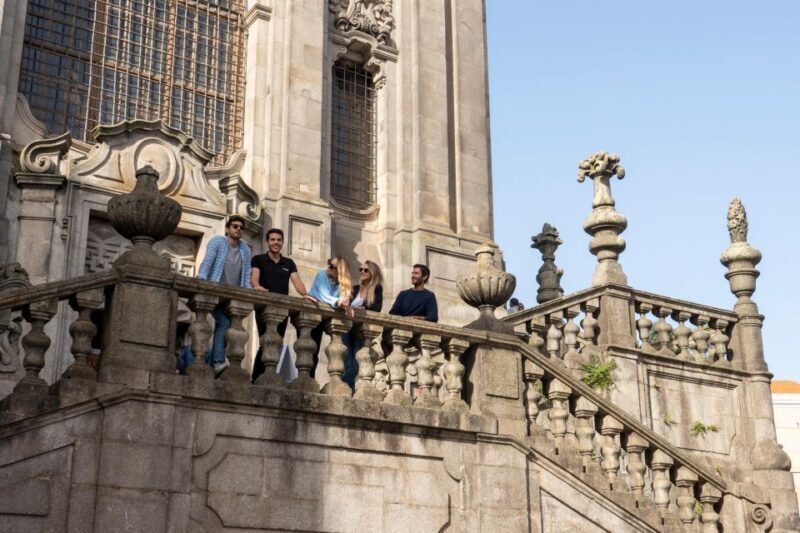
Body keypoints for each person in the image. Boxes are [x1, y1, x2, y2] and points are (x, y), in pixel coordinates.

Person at [249, 228, 310, 382]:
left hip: (282, 309)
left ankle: (268, 376)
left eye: (279, 240)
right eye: (273, 240)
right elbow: (254, 277)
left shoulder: (288, 263)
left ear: (282, 242)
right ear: (267, 242)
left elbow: (297, 281)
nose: (276, 243)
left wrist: (306, 295)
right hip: (264, 307)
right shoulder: (258, 259)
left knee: (277, 343)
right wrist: (256, 286)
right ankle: (256, 377)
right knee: (265, 341)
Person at [196, 215, 252, 376]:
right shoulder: (218, 242)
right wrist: (202, 278)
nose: (238, 229)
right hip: (215, 291)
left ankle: (217, 363)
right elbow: (208, 260)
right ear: (227, 229)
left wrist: (248, 290)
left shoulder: (245, 249)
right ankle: (218, 361)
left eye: (241, 227)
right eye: (235, 226)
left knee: (228, 326)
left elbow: (246, 272)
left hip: (231, 296)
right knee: (224, 322)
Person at [307, 256, 354, 378]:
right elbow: (324, 296)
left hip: (326, 318)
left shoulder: (341, 283)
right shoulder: (321, 275)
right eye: (329, 263)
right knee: (311, 350)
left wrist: (347, 304)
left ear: (340, 271)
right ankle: (307, 379)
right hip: (312, 316)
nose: (328, 267)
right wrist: (340, 302)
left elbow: (345, 298)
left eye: (332, 266)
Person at [342, 260, 384, 388]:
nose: (362, 272)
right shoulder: (354, 288)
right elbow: (346, 304)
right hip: (347, 329)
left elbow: (377, 308)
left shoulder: (376, 288)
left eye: (366, 270)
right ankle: (347, 389)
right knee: (347, 364)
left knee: (355, 365)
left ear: (372, 273)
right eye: (360, 269)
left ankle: (344, 387)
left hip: (361, 331)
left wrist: (363, 307)